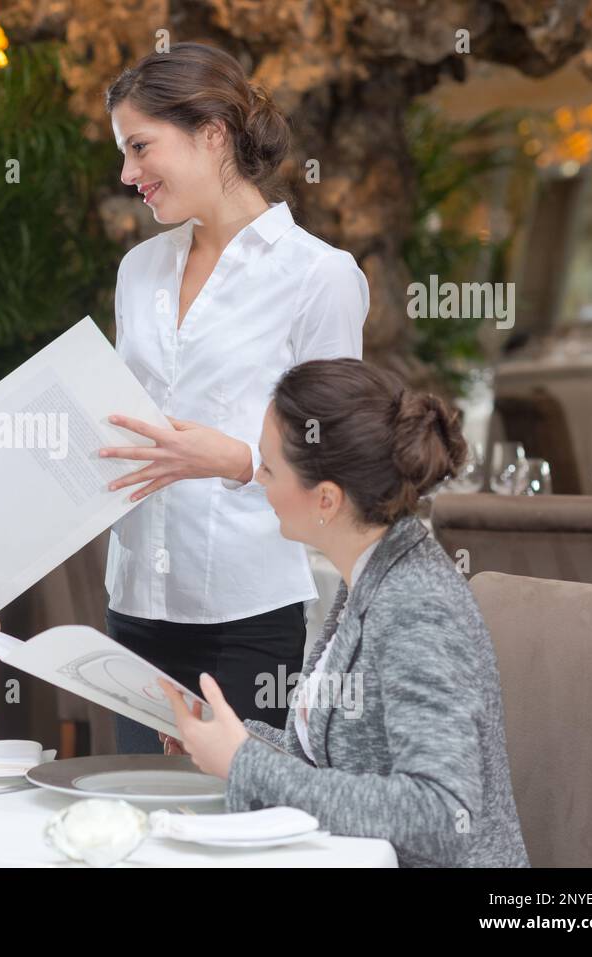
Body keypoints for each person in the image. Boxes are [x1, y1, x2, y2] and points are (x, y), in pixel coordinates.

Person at [99, 42, 369, 751]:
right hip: (134, 611)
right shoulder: (138, 270)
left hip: (248, 615)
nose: (128, 174)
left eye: (139, 147)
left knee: (239, 836)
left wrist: (238, 459)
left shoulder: (319, 277)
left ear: (212, 133)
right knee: (138, 833)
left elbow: (343, 457)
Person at [160, 358, 530, 867]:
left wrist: (245, 764)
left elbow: (441, 817)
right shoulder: (368, 572)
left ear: (327, 500)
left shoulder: (416, 604)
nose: (258, 480)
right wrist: (227, 742)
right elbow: (336, 767)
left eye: (268, 467)